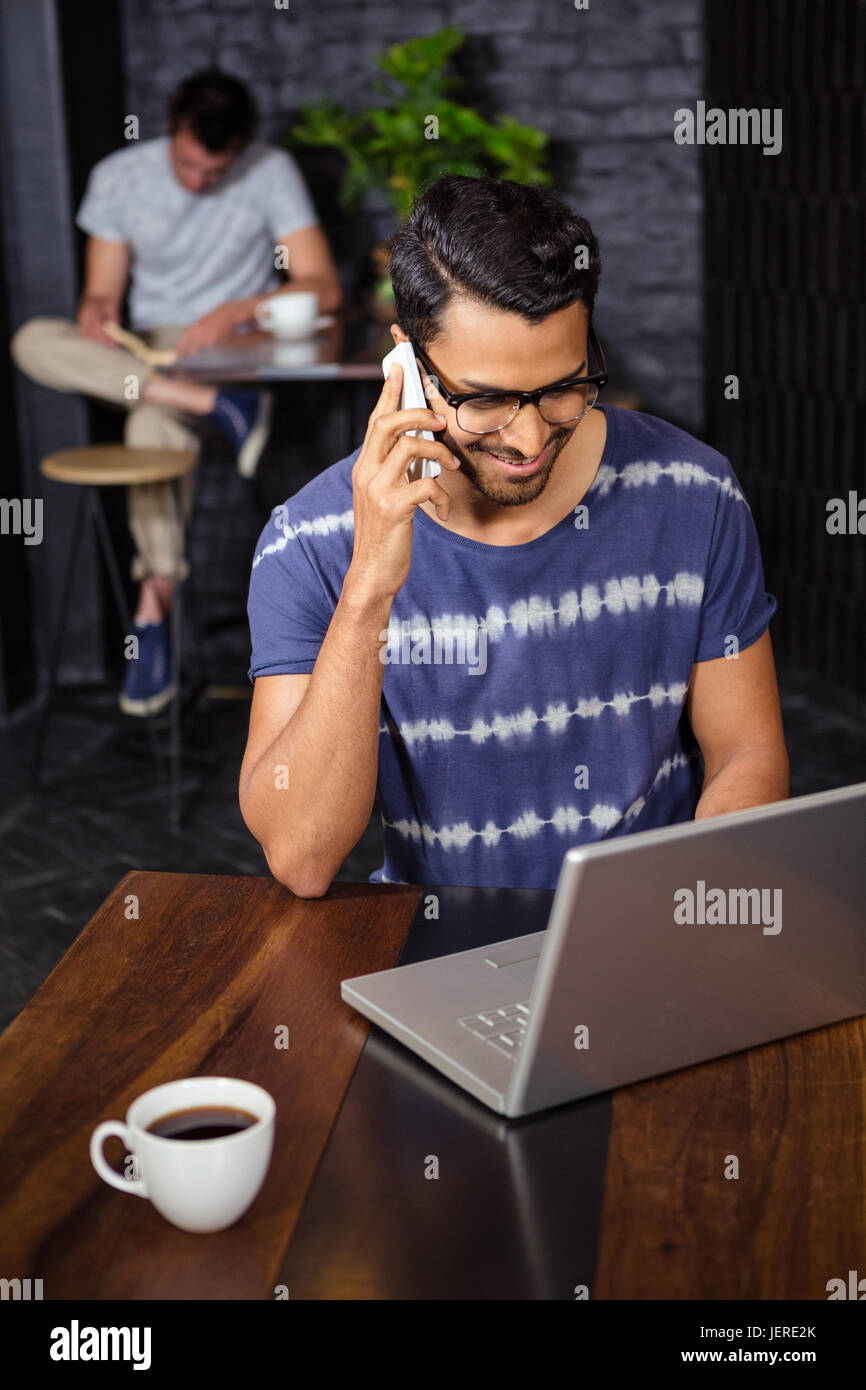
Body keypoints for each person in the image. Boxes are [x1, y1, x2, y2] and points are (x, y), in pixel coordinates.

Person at [238, 174, 788, 895]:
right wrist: (369, 584)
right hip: (434, 952)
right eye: (487, 398)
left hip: (647, 927)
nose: (529, 437)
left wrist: (692, 919)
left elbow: (747, 751)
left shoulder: (695, 492)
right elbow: (303, 859)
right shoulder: (309, 541)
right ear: (405, 363)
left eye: (563, 385)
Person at [11, 67, 341, 715]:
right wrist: (97, 313)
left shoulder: (271, 170)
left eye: (213, 172)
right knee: (32, 340)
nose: (196, 181)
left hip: (228, 347)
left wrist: (238, 312)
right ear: (170, 129)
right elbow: (101, 294)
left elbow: (322, 287)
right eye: (187, 164)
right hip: (148, 355)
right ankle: (209, 408)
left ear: (241, 147)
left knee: (148, 427)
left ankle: (151, 615)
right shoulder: (119, 176)